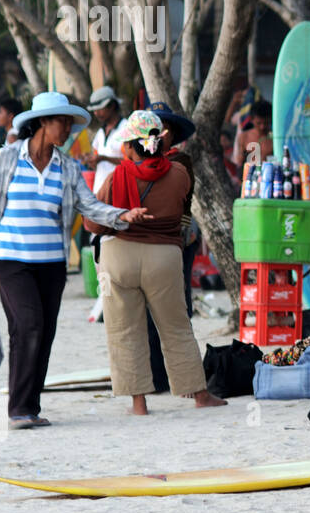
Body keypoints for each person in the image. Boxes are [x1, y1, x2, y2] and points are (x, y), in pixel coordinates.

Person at [0, 92, 150, 429]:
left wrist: (123, 215)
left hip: (52, 264)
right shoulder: (5, 158)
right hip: (11, 261)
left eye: (69, 123)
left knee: (42, 332)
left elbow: (89, 205)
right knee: (29, 324)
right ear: (41, 124)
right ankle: (19, 409)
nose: (68, 129)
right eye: (61, 122)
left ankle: (29, 407)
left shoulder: (67, 166)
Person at [83, 110, 225, 416]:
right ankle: (200, 395)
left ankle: (139, 404)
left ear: (131, 147)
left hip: (119, 257)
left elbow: (93, 224)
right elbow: (182, 213)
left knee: (125, 330)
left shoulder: (116, 177)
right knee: (176, 327)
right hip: (165, 257)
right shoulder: (180, 175)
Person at [142, 102, 200, 394]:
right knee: (149, 310)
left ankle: (187, 377)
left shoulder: (181, 161)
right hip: (149, 240)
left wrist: (177, 237)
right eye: (156, 128)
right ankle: (156, 377)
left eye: (166, 129)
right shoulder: (138, 159)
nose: (160, 134)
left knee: (179, 307)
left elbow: (184, 201)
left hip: (179, 239)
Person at [84, 86, 126, 186]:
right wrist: (91, 160)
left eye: (99, 109)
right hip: (99, 190)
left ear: (111, 106)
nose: (96, 113)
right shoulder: (100, 133)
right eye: (94, 110)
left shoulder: (127, 128)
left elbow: (132, 163)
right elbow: (95, 161)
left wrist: (104, 158)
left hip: (119, 189)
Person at [232, 99, 273, 170]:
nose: (262, 127)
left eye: (266, 123)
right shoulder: (244, 137)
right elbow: (240, 162)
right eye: (258, 123)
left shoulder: (275, 137)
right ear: (251, 120)